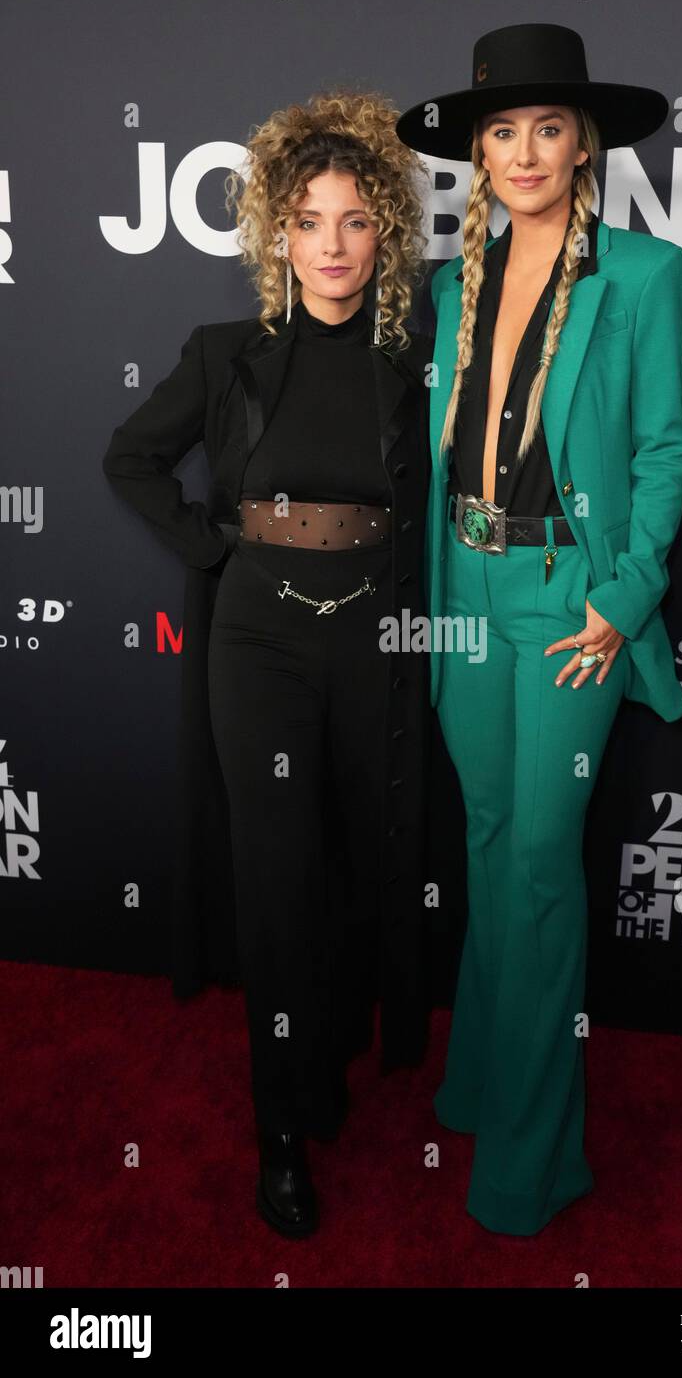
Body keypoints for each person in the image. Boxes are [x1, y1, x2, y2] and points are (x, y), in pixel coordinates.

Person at [103, 92, 433, 1238]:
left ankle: (334, 1048)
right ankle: (280, 1130)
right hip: (259, 637)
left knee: (357, 853)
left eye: (354, 220)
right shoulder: (226, 354)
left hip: (376, 630)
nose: (332, 245)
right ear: (275, 237)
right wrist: (212, 549)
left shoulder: (417, 354)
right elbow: (132, 457)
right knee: (276, 871)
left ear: (383, 232)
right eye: (308, 221)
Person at [396, 23, 682, 1236]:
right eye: (501, 132)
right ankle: (476, 1081)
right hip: (465, 596)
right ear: (479, 152)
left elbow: (665, 449)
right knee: (482, 845)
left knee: (534, 871)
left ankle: (528, 1159)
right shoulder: (450, 283)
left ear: (584, 145)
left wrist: (620, 606)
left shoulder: (641, 273)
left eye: (548, 129)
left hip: (572, 602)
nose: (523, 152)